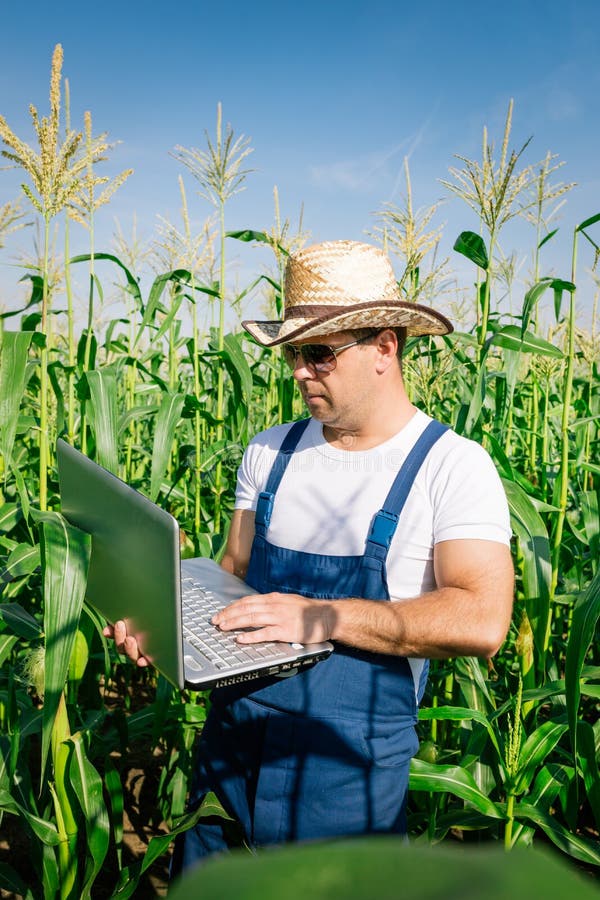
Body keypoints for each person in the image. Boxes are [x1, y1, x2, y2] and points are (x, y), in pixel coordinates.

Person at [110, 239, 514, 872]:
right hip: (229, 750)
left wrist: (322, 617)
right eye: (294, 353)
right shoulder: (268, 452)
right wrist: (164, 617)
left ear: (386, 346)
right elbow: (233, 572)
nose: (300, 371)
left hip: (343, 773)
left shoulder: (451, 467)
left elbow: (483, 620)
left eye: (319, 353)